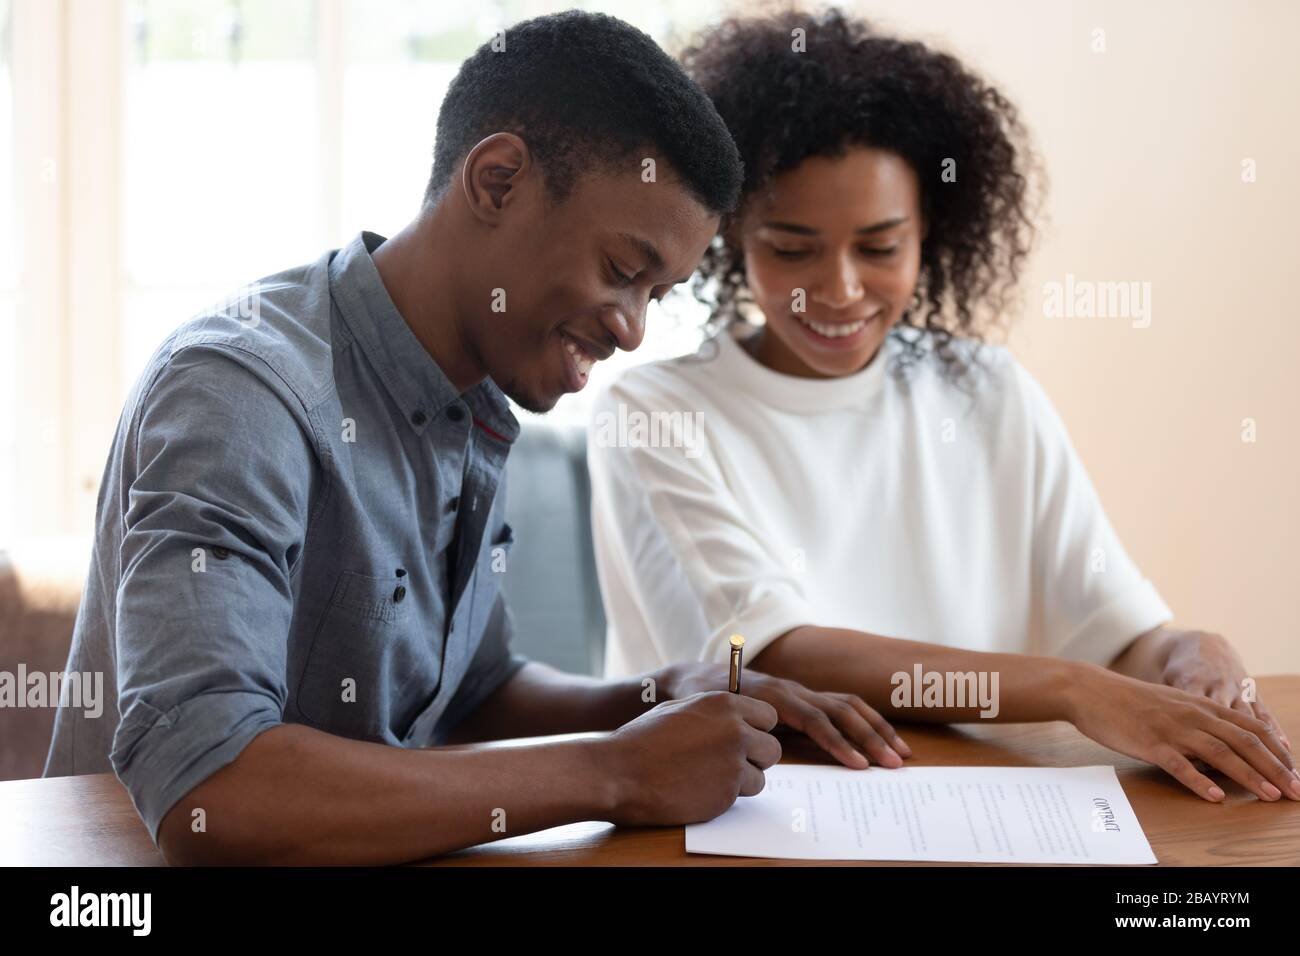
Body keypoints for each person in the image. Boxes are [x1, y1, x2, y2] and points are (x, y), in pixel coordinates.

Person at [44, 10, 907, 866]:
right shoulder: (238, 393)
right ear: (497, 181)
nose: (634, 330)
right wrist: (613, 773)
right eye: (622, 271)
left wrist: (655, 694)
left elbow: (472, 694)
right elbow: (212, 793)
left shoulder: (473, 394)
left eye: (659, 293)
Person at [588, 8, 1298, 805]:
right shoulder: (653, 409)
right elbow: (775, 656)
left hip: (978, 806)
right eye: (791, 248)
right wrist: (1073, 690)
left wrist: (1186, 653)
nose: (841, 289)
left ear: (933, 233)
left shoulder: (983, 387)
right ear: (730, 238)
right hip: (752, 817)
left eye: (881, 247)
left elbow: (1118, 631)